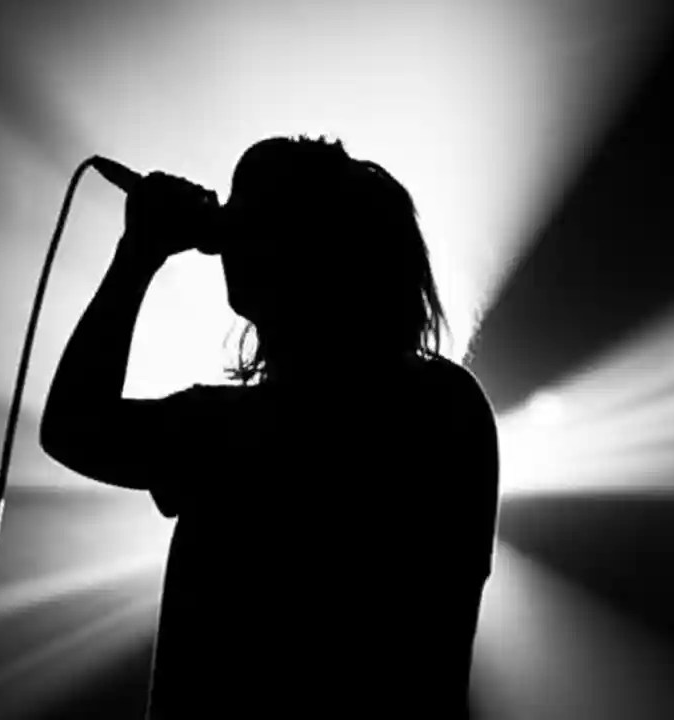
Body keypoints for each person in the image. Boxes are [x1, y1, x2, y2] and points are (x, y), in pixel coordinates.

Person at [40, 135, 499, 718]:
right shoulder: (449, 404)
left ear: (307, 243)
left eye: (252, 208)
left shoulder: (237, 428)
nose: (230, 224)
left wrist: (138, 255)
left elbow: (74, 427)